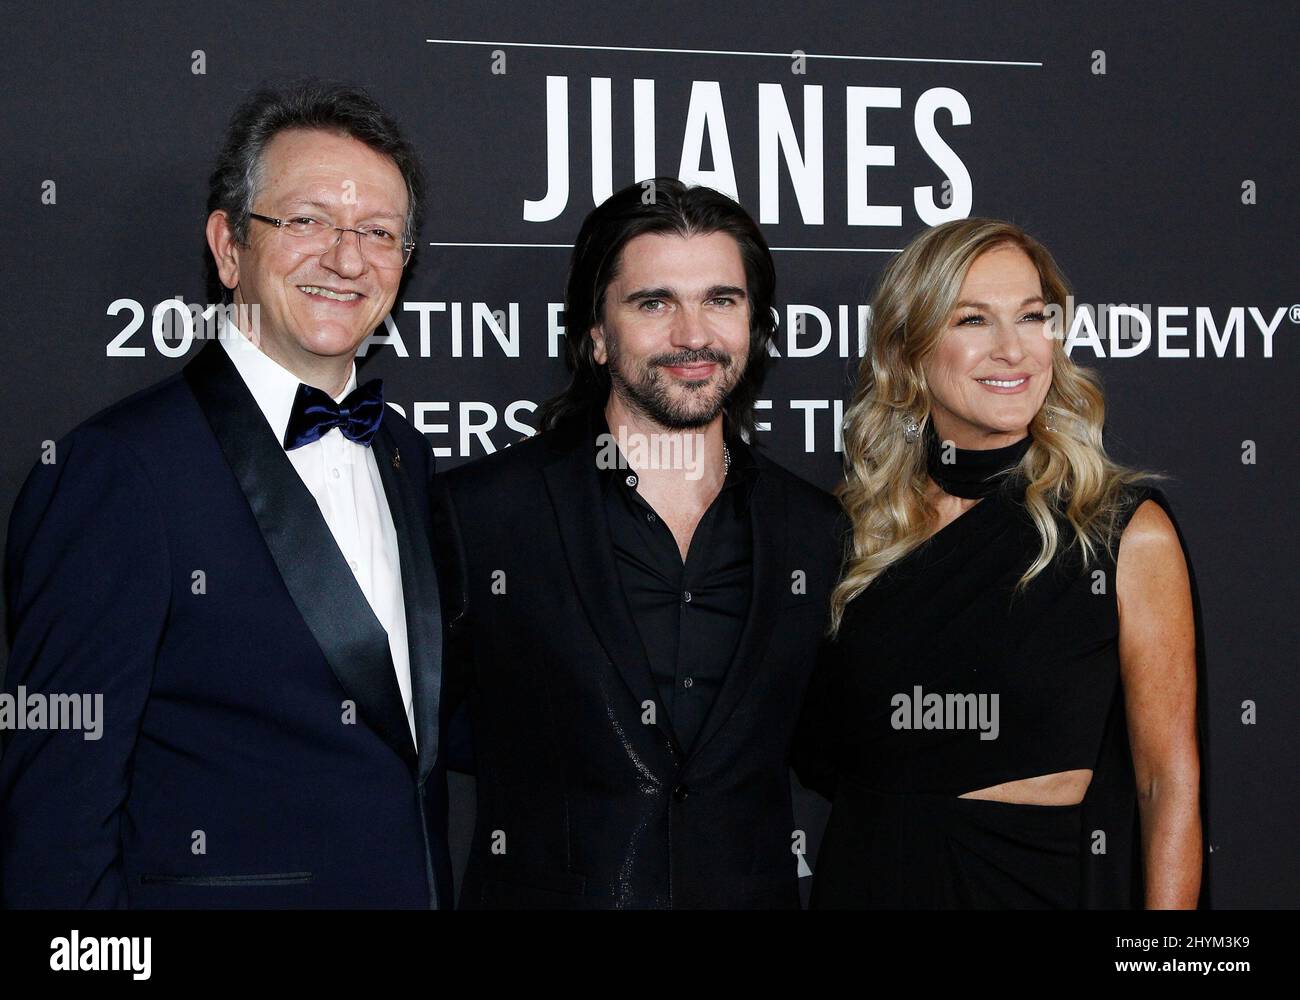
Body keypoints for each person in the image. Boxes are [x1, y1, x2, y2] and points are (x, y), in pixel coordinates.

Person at [1, 81, 455, 908]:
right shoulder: (117, 473)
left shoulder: (403, 456)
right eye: (308, 221)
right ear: (228, 246)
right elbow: (53, 828)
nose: (347, 258)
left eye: (378, 233)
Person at [434, 177, 843, 908]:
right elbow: (419, 741)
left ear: (755, 324)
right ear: (595, 334)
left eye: (722, 300)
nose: (693, 335)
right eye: (654, 303)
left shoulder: (815, 531)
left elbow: (836, 750)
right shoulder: (484, 515)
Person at [793, 218, 1205, 909]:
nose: (1014, 350)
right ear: (910, 348)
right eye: (974, 319)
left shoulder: (1120, 530)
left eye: (1033, 317)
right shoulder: (856, 530)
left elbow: (1167, 784)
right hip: (869, 879)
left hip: (1026, 888)